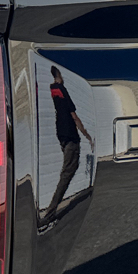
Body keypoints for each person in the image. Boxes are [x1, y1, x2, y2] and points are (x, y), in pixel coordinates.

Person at [42, 66, 94, 224]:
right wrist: (86, 134)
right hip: (71, 135)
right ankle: (50, 213)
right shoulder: (62, 89)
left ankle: (51, 209)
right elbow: (74, 116)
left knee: (70, 167)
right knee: (67, 172)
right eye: (61, 75)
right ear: (58, 75)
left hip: (61, 133)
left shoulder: (53, 91)